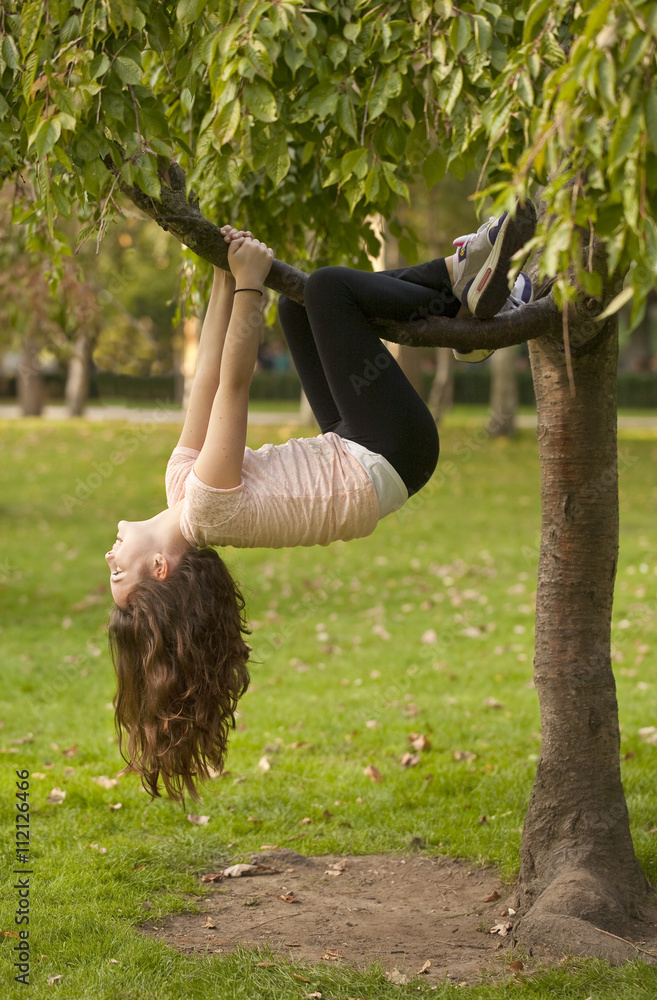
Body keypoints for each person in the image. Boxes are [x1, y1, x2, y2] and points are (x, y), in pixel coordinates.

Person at [106, 204, 536, 804]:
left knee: (300, 306)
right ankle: (461, 272)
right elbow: (233, 384)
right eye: (118, 569)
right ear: (160, 569)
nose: (110, 554)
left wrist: (222, 279)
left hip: (354, 442)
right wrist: (250, 283)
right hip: (391, 452)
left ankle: (468, 297)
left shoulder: (181, 484)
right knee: (330, 289)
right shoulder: (207, 508)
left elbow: (203, 379)